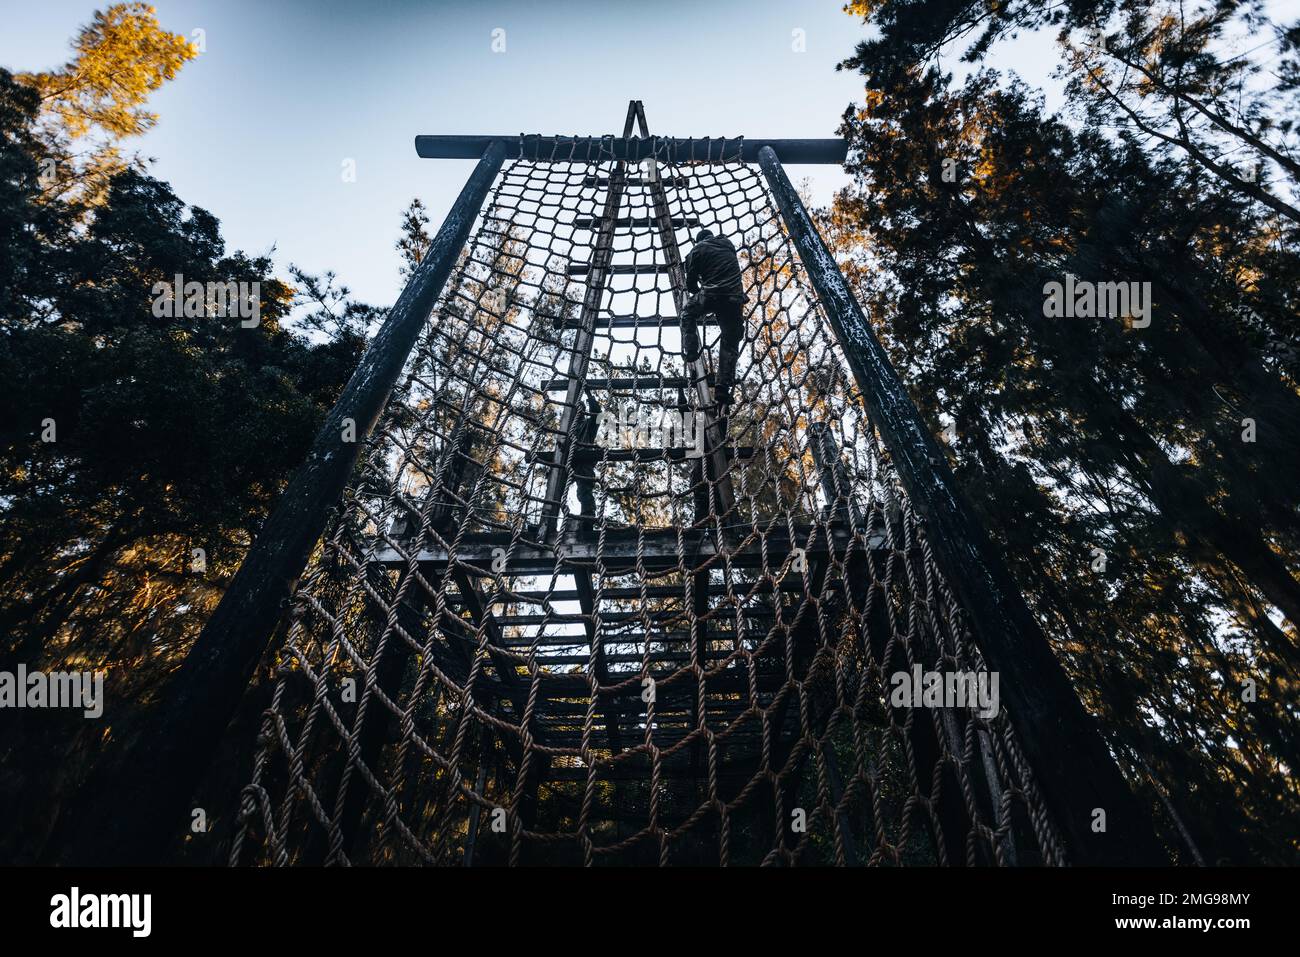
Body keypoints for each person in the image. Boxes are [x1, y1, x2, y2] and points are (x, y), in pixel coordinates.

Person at [682, 228, 746, 409]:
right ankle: (722, 387)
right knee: (730, 340)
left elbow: (691, 284)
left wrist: (702, 289)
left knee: (687, 313)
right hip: (734, 297)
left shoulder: (696, 250)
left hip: (712, 294)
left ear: (698, 240)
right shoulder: (728, 244)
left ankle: (692, 349)